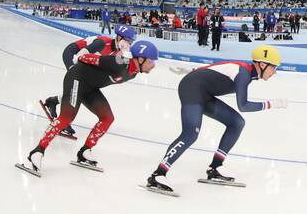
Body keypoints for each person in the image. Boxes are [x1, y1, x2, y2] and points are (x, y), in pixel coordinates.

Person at [144, 46, 286, 194]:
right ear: (262, 64)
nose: (275, 72)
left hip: (203, 92)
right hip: (191, 89)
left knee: (237, 123)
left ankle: (215, 168)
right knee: (190, 133)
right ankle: (158, 175)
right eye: (274, 67)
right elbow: (243, 106)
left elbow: (218, 68)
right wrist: (272, 104)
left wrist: (193, 70)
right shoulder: (243, 74)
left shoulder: (247, 73)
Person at [17, 40, 158, 176]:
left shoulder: (133, 73)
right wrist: (79, 58)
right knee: (67, 117)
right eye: (151, 61)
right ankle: (37, 151)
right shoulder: (118, 62)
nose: (153, 65)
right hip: (77, 78)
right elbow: (88, 58)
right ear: (140, 59)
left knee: (107, 118)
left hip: (91, 87)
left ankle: (85, 150)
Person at [39, 24, 138, 140]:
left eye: (130, 42)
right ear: (118, 37)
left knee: (82, 89)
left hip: (83, 60)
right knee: (77, 87)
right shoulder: (102, 43)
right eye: (127, 41)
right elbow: (81, 54)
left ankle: (53, 101)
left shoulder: (117, 52)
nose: (128, 44)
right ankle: (63, 117)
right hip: (73, 53)